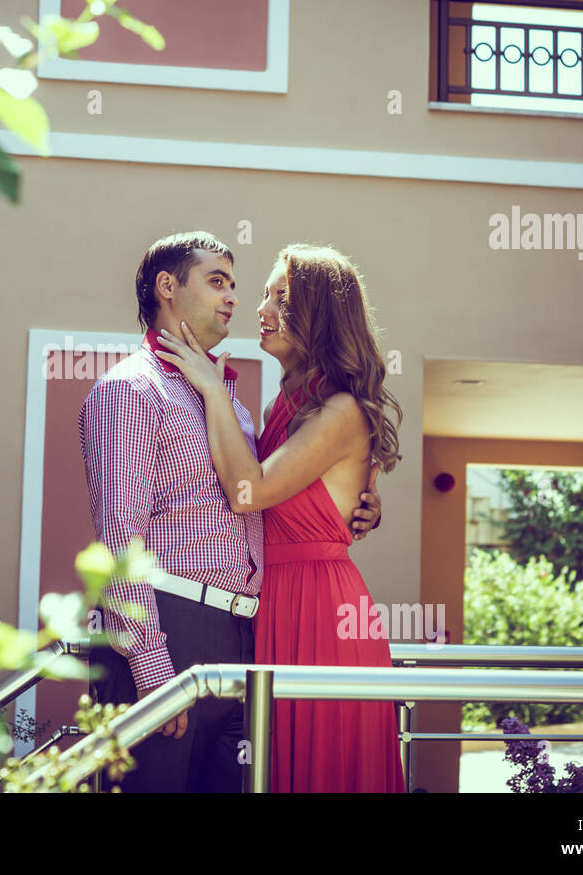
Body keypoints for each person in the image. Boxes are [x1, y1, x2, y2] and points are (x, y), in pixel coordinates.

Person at [78, 231, 383, 793]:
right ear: (168, 287)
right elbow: (120, 539)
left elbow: (270, 495)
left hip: (254, 634)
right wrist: (151, 670)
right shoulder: (128, 392)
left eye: (241, 286)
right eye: (218, 281)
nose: (238, 301)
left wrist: (354, 506)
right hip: (173, 631)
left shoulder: (237, 408)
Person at [154, 242, 405, 793]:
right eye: (265, 295)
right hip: (273, 608)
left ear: (319, 315)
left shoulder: (341, 410)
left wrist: (211, 387)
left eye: (281, 298)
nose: (260, 309)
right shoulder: (283, 407)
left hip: (322, 614)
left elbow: (250, 492)